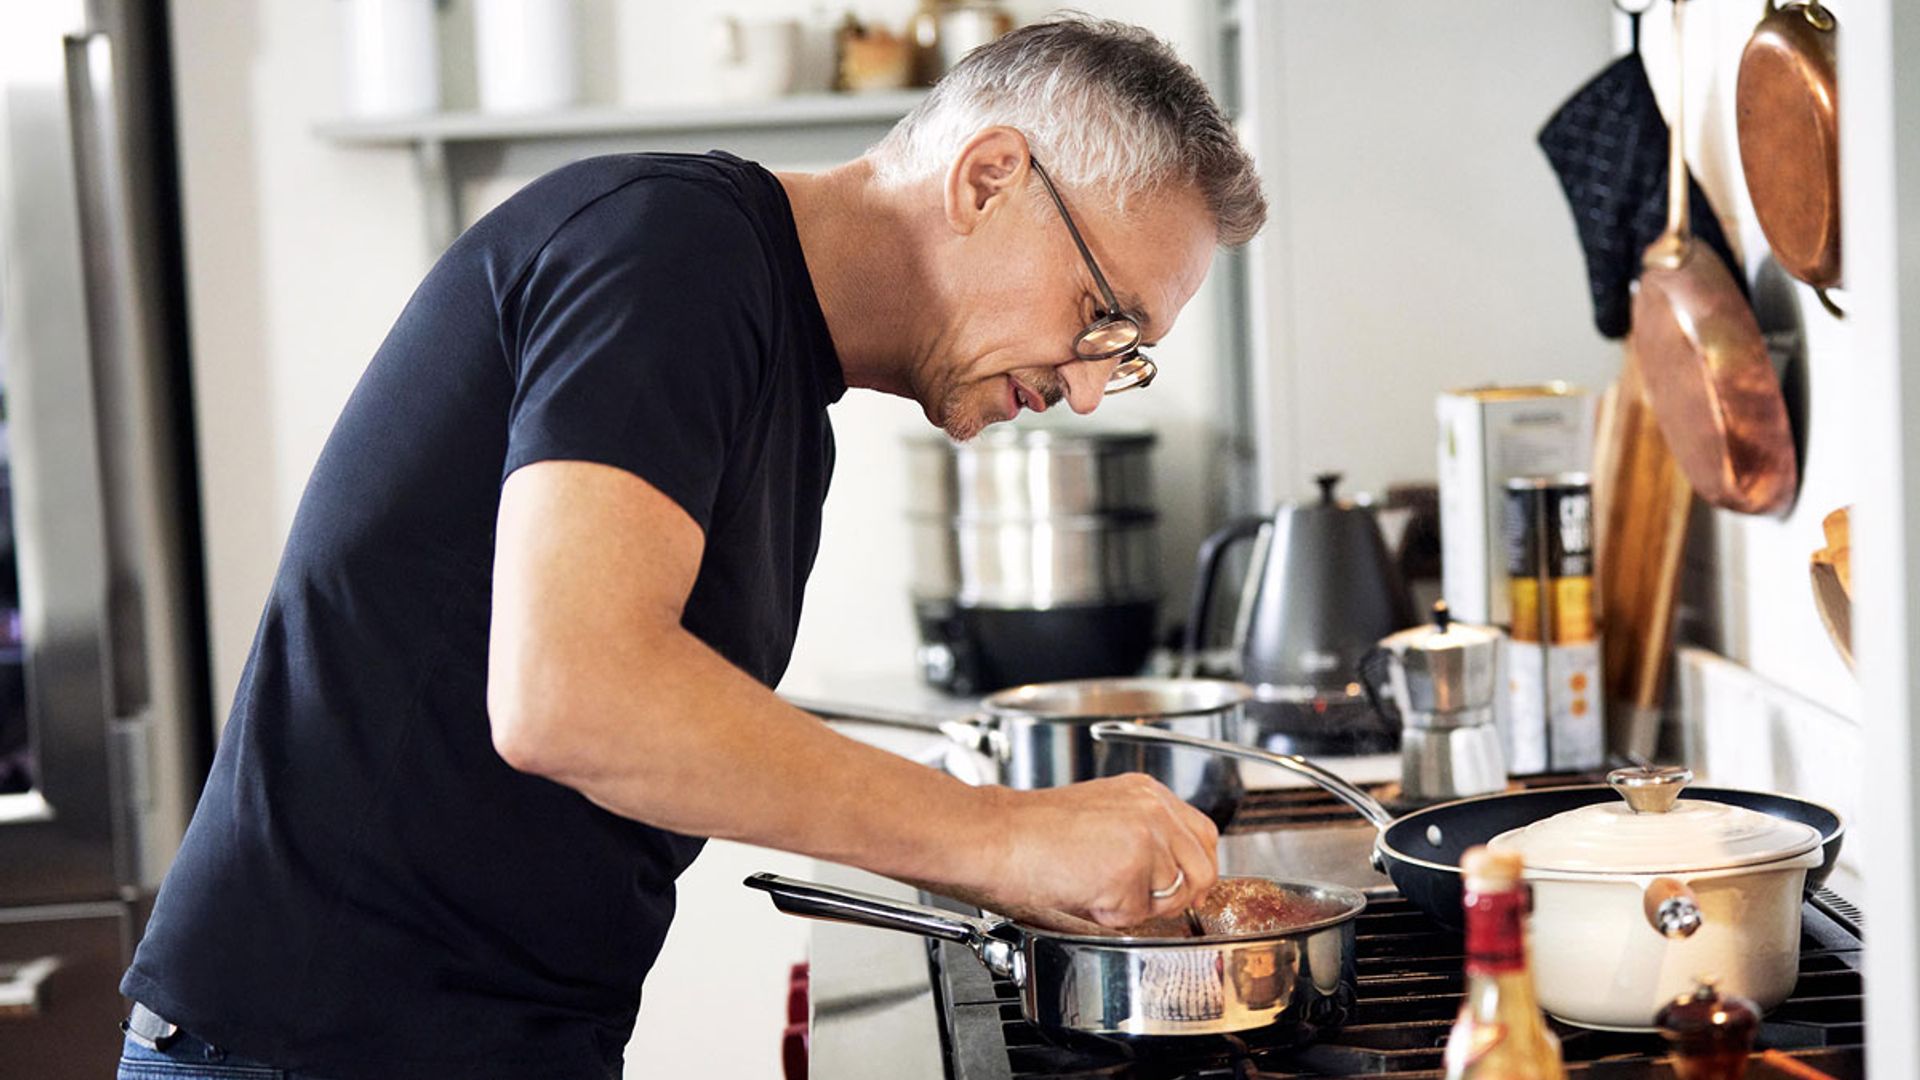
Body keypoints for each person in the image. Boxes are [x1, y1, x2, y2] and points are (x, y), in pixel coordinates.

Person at [117, 14, 1267, 1079]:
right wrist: (1003, 838)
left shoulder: (784, 398)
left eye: (1126, 355)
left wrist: (1003, 864)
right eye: (1100, 316)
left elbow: (667, 728)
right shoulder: (673, 255)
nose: (1084, 390)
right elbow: (575, 698)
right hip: (310, 1044)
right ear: (988, 178)